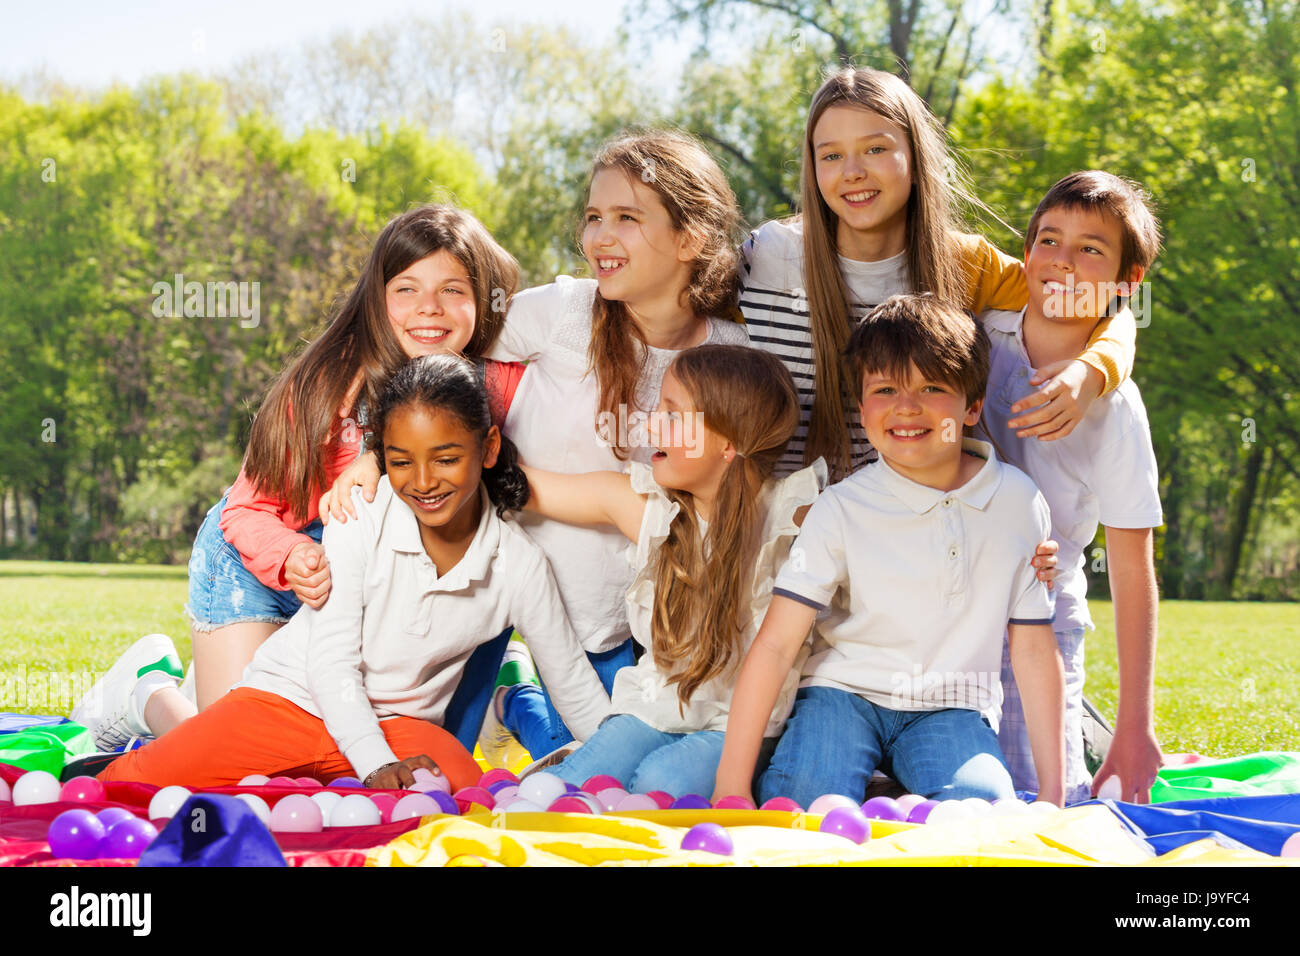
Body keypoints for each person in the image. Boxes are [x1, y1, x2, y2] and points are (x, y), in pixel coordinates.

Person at [322, 131, 749, 761]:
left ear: (691, 238)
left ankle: (517, 703)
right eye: (594, 217)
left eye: (626, 219)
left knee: (602, 757)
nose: (599, 237)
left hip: (611, 620)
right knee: (438, 767)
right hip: (488, 591)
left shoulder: (733, 357)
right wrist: (370, 450)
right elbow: (435, 356)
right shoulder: (564, 313)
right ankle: (510, 692)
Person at [72, 205, 524, 751]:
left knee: (346, 755)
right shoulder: (325, 388)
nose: (430, 308)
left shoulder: (496, 381)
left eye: (454, 289)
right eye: (407, 289)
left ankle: (213, 682)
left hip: (361, 590)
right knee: (241, 758)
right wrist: (292, 559)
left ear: (483, 299)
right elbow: (245, 511)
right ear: (376, 300)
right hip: (257, 568)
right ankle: (144, 692)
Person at [94, 354, 609, 789]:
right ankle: (144, 698)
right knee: (127, 788)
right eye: (402, 461)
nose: (424, 482)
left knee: (459, 789)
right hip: (291, 702)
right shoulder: (359, 511)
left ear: (489, 447)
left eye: (447, 459)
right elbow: (332, 662)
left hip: (399, 727)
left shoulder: (519, 565)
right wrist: (375, 764)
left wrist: (628, 757)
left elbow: (573, 686)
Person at [713, 294, 1066, 808]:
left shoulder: (1019, 503)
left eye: (932, 387)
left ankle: (893, 784)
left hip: (952, 707)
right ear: (862, 408)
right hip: (843, 695)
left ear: (971, 407)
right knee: (802, 806)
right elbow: (775, 644)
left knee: (980, 813)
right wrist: (730, 784)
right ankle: (868, 781)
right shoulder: (841, 507)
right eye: (884, 389)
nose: (906, 406)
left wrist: (1054, 793)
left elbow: (1034, 648)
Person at [739, 66, 1138, 482]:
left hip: (902, 534)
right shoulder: (766, 255)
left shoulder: (963, 262)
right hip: (765, 535)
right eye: (831, 155)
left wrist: (1091, 374)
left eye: (875, 149)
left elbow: (1103, 303)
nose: (852, 171)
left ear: (914, 156)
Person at [508, 345, 820, 796]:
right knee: (565, 793)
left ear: (728, 442)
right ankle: (544, 735)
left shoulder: (793, 517)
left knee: (658, 785)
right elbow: (526, 487)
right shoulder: (653, 510)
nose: (650, 425)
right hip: (657, 709)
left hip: (742, 725)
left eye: (672, 416)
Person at [979, 171, 1164, 804]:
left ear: (1126, 282)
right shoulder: (977, 335)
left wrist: (1136, 727)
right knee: (951, 797)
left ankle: (1087, 738)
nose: (1063, 261)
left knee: (1043, 802)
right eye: (1049, 239)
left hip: (1041, 614)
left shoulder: (1115, 411)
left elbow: (1133, 570)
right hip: (942, 604)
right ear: (1025, 253)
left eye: (1091, 249)